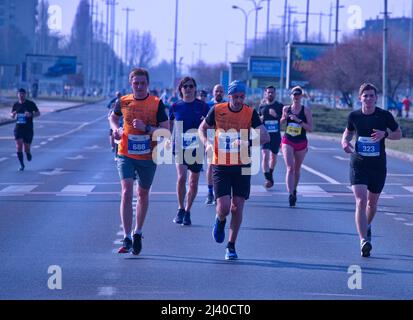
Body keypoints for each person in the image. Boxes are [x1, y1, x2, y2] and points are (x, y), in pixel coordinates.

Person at [198, 80, 270, 260]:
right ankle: (220, 220)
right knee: (223, 208)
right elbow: (202, 128)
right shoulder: (217, 110)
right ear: (229, 96)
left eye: (242, 97)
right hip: (220, 164)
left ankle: (231, 245)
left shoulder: (250, 113)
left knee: (237, 207)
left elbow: (265, 136)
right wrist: (206, 143)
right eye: (236, 97)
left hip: (242, 164)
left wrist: (248, 142)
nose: (239, 100)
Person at [109, 68, 169, 255]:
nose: (140, 86)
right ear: (131, 84)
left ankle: (138, 232)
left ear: (147, 84)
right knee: (126, 192)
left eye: (143, 83)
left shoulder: (157, 104)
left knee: (142, 194)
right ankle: (127, 236)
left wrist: (147, 128)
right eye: (136, 83)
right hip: (125, 152)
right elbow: (113, 117)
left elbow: (166, 132)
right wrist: (115, 129)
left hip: (147, 156)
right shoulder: (124, 101)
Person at [341, 83, 402, 257]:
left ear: (376, 98)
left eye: (371, 95)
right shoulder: (354, 116)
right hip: (358, 163)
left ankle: (366, 226)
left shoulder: (384, 116)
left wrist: (386, 135)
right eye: (365, 95)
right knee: (360, 201)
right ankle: (363, 241)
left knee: (372, 203)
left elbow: (399, 134)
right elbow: (348, 133)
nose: (368, 98)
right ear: (360, 98)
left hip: (377, 165)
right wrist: (345, 142)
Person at [169, 77, 209, 226]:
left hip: (197, 148)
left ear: (195, 88)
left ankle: (188, 210)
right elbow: (170, 125)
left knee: (193, 181)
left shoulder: (203, 106)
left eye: (191, 86)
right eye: (185, 86)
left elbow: (210, 125)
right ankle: (180, 207)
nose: (188, 89)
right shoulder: (175, 106)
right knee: (181, 177)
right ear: (181, 89)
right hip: (180, 146)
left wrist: (208, 141)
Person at [280, 86, 313, 207]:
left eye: (298, 94)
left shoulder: (306, 110)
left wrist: (298, 120)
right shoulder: (286, 108)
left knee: (297, 169)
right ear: (291, 96)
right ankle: (290, 194)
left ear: (301, 96)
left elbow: (310, 129)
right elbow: (281, 122)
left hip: (301, 142)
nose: (296, 96)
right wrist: (283, 118)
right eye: (294, 94)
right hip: (288, 140)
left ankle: (294, 189)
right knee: (290, 168)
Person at [259, 85, 284, 188]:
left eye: (272, 92)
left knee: (273, 157)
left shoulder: (279, 106)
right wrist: (260, 118)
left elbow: (283, 121)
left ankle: (271, 174)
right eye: (268, 92)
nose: (270, 94)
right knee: (265, 155)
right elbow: (258, 120)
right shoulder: (262, 106)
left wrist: (276, 116)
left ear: (275, 94)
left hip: (275, 136)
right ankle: (267, 178)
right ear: (265, 93)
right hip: (265, 136)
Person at [205, 84, 226, 205]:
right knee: (211, 165)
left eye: (221, 91)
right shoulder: (207, 105)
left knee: (224, 166)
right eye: (216, 91)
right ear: (213, 93)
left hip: (224, 137)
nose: (218, 93)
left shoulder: (227, 105)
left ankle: (221, 193)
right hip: (211, 137)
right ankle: (210, 192)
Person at [10, 88, 40, 171]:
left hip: (28, 128)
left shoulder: (30, 104)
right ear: (17, 95)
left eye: (23, 94)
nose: (21, 95)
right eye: (20, 94)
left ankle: (28, 153)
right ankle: (22, 165)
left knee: (26, 147)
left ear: (25, 94)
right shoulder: (15, 104)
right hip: (18, 128)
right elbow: (11, 114)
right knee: (18, 146)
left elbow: (38, 113)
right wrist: (13, 114)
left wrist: (31, 114)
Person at [107, 91, 122, 156]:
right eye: (117, 94)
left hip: (121, 123)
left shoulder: (123, 101)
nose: (118, 95)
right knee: (111, 133)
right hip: (114, 123)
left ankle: (118, 148)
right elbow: (108, 106)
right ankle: (112, 146)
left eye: (119, 94)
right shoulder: (113, 103)